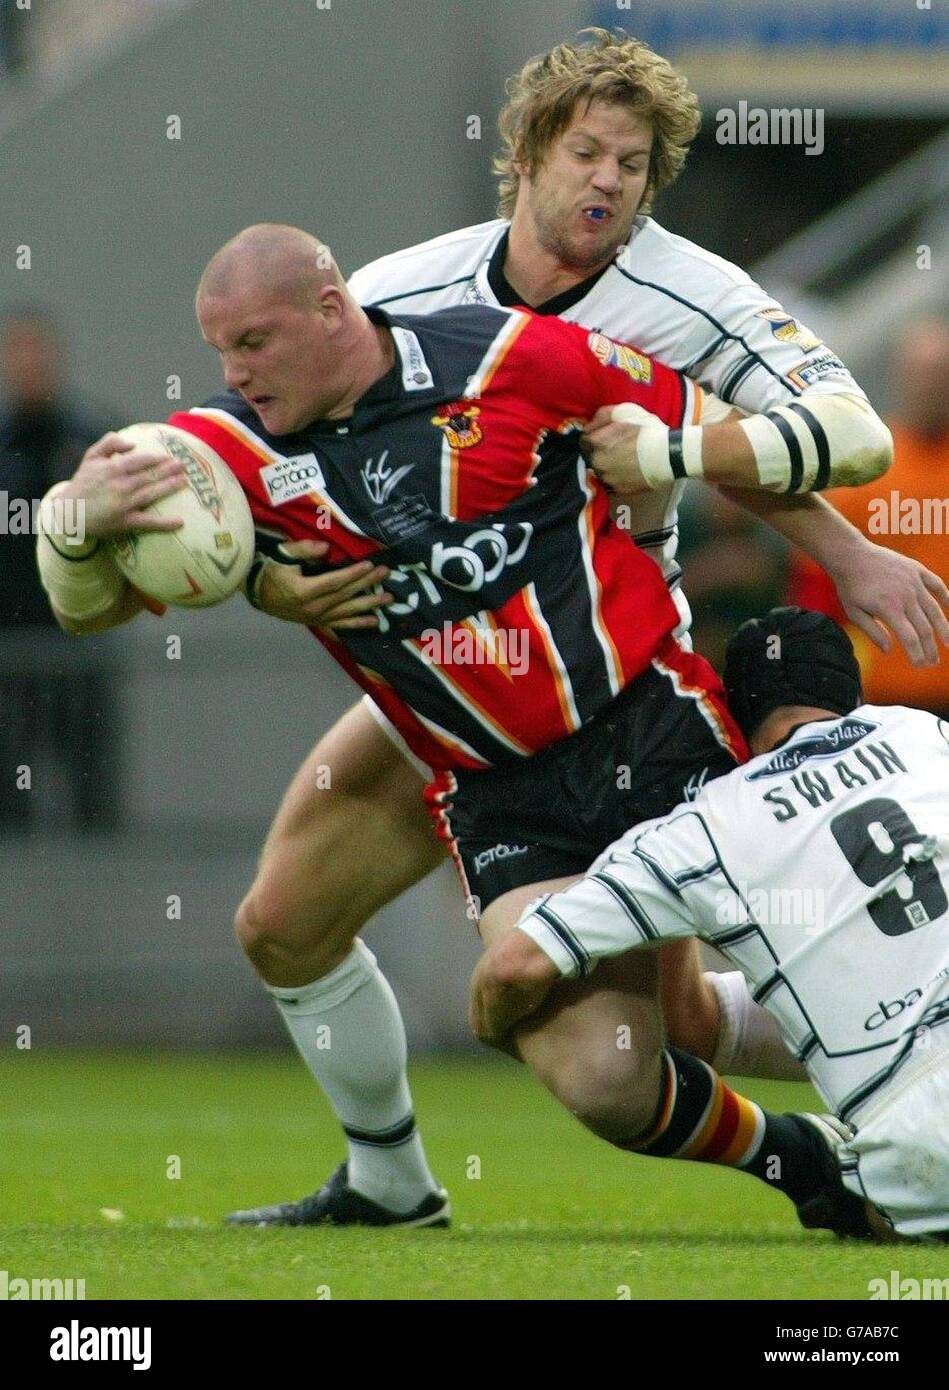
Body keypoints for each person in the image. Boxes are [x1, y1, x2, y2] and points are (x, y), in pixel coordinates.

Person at [213, 29, 948, 1226]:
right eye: (586, 151)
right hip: (437, 687)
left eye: (633, 162)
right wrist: (265, 583)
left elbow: (817, 430)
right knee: (281, 924)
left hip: (612, 677)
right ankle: (392, 1188)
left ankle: (849, 1143)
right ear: (526, 156)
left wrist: (838, 544)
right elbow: (261, 476)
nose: (607, 179)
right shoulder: (398, 296)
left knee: (659, 1035)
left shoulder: (688, 294)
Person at [37, 226, 887, 1235]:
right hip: (498, 794)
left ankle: (910, 1120)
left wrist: (823, 537)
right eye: (219, 347)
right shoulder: (222, 457)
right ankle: (799, 1158)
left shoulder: (509, 355)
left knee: (822, 964)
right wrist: (75, 525)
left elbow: (734, 436)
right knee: (606, 1078)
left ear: (328, 308)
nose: (233, 372)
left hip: (649, 729)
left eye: (254, 342)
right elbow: (90, 609)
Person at [472, 607, 949, 1241]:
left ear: (736, 722)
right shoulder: (925, 736)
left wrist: (491, 1026)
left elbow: (515, 966)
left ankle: (821, 1173)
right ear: (853, 692)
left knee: (879, 1200)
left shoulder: (702, 825)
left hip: (920, 1147)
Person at [790, 316, 949, 718]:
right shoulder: (863, 469)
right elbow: (817, 594)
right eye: (923, 372)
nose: (932, 384)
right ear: (900, 375)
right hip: (890, 697)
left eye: (942, 372)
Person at [0, 306, 121, 828]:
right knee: (9, 794)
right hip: (9, 649)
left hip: (78, 643)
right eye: (16, 353)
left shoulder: (91, 441)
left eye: (37, 352)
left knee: (90, 783)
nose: (28, 365)